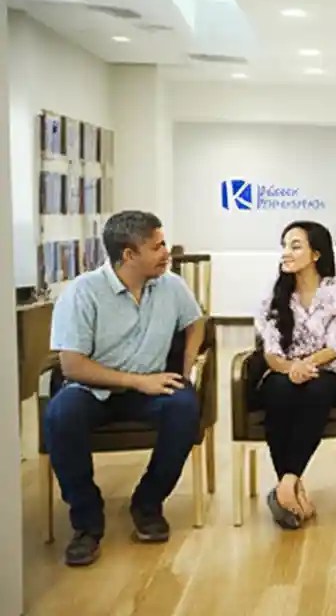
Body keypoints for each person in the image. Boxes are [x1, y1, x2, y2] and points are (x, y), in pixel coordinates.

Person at [45, 210, 205, 566]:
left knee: (184, 407)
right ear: (129, 255)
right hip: (91, 390)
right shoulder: (82, 293)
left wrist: (186, 364)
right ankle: (86, 522)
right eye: (157, 247)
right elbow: (72, 364)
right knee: (60, 414)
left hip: (149, 389)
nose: (167, 252)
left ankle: (147, 504)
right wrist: (136, 381)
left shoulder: (172, 285)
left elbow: (195, 322)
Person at [252, 220, 336, 529]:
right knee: (280, 391)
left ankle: (286, 484)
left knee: (316, 391)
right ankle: (292, 487)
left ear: (316, 254)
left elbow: (333, 346)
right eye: (284, 245)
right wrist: (291, 368)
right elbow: (270, 352)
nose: (286, 252)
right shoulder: (272, 299)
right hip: (282, 369)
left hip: (324, 369)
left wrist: (306, 365)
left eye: (295, 246)